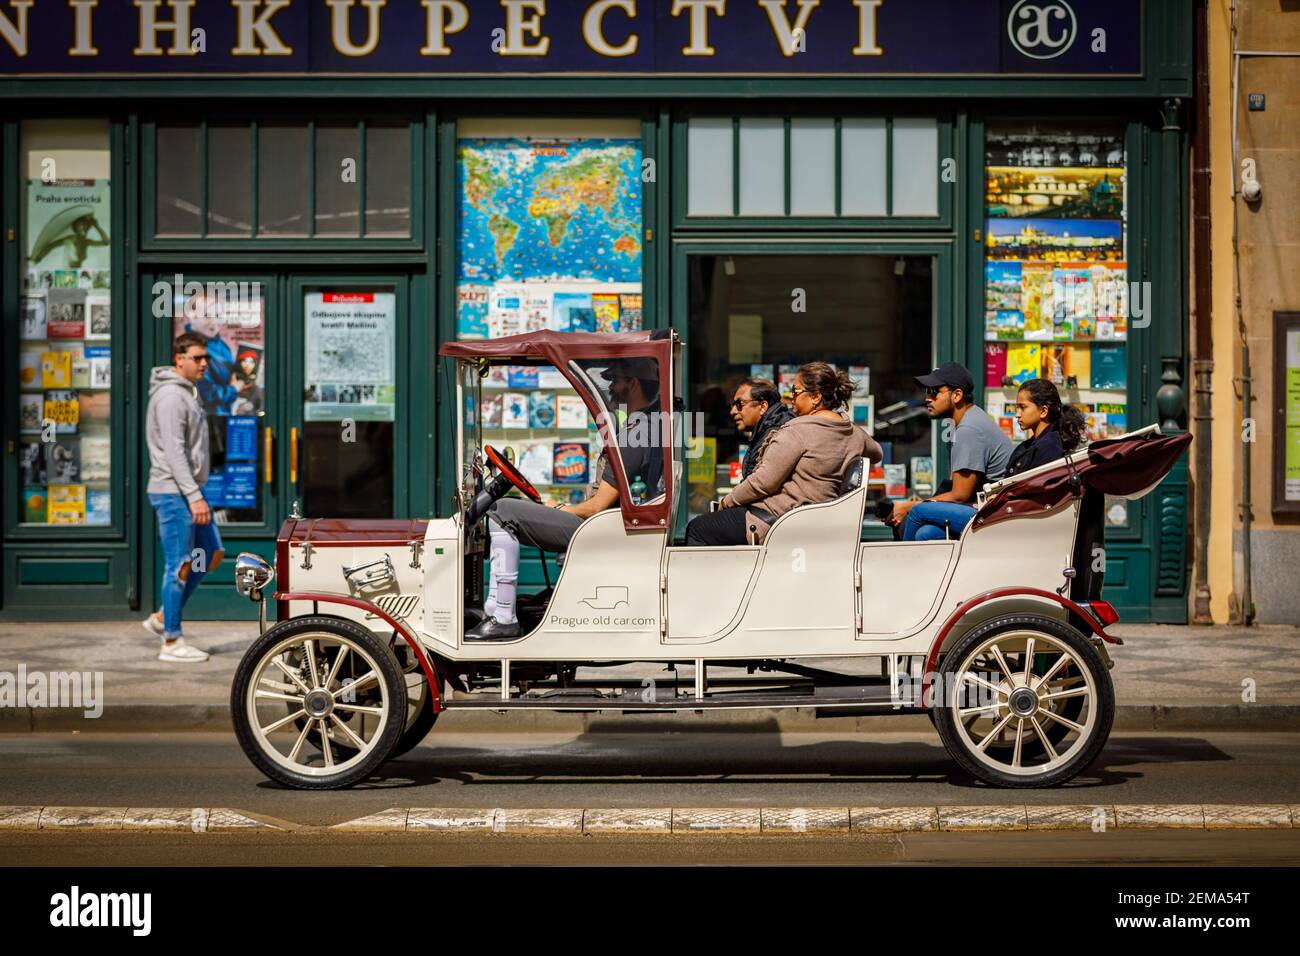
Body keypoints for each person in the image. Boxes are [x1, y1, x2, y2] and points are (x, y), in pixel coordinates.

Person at [468, 357, 664, 642]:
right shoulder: (644, 427)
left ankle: (502, 615)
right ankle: (499, 611)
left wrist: (561, 508)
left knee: (501, 510)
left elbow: (597, 506)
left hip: (601, 527)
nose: (610, 388)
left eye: (615, 381)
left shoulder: (635, 434)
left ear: (633, 384)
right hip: (608, 525)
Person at [685, 363, 882, 546]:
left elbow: (763, 482)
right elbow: (877, 453)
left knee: (697, 529)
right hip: (816, 519)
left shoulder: (796, 430)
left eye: (796, 391)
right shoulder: (853, 432)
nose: (791, 396)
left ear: (816, 397)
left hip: (776, 520)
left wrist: (726, 501)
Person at [141, 331, 224, 662]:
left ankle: (163, 618)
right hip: (173, 492)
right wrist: (194, 496)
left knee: (210, 553)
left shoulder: (187, 392)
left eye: (206, 358)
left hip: (186, 491)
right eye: (197, 358)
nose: (204, 363)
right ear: (179, 360)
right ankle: (172, 641)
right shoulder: (171, 397)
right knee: (181, 564)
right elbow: (175, 453)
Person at [885, 361, 1012, 542]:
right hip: (983, 508)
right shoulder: (965, 422)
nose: (928, 398)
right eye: (927, 392)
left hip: (994, 513)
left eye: (934, 392)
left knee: (918, 511)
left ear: (957, 395)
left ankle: (906, 565)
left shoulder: (969, 429)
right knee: (926, 533)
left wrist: (907, 506)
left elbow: (959, 495)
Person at [1005, 377, 1087, 477]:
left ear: (1043, 411)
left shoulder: (1048, 448)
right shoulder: (1033, 444)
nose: (1017, 414)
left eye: (1023, 407)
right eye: (1017, 407)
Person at [732, 378, 794, 479]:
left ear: (762, 407)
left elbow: (759, 484)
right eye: (733, 405)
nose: (733, 411)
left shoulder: (776, 435)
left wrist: (731, 496)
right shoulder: (764, 431)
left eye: (740, 404)